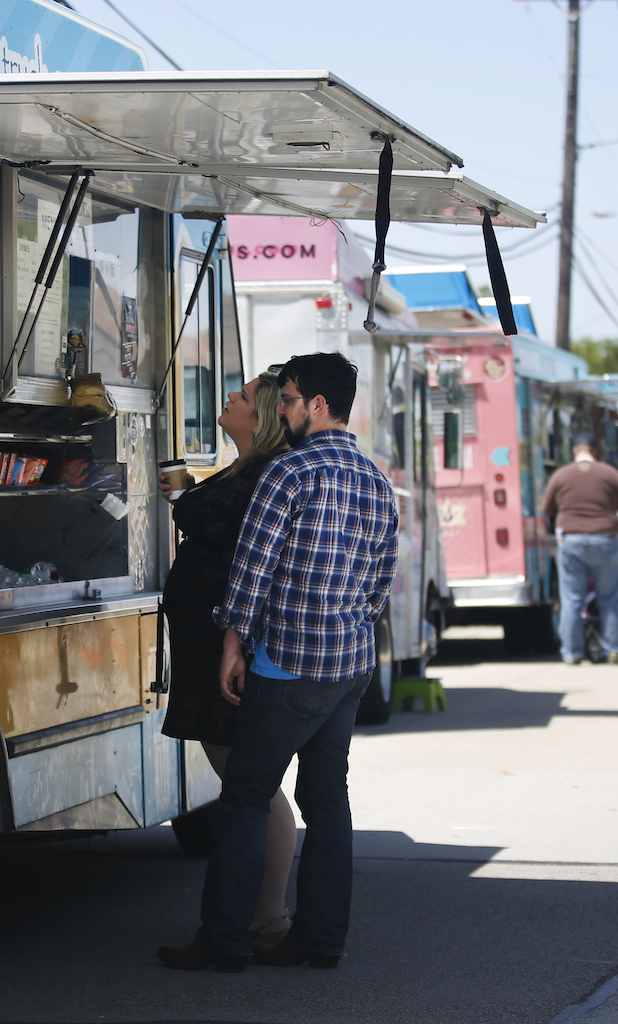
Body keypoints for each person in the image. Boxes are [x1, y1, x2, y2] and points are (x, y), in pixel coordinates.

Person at [157, 352, 398, 973]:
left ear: (317, 405)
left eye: (288, 399)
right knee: (327, 800)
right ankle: (320, 940)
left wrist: (232, 643)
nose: (282, 409)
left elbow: (252, 569)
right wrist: (348, 627)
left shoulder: (289, 473)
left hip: (287, 662)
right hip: (349, 665)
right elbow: (381, 582)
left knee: (245, 797)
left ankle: (224, 940)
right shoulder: (375, 480)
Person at [158, 374, 296, 946]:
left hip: (230, 651)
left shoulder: (266, 474)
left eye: (239, 398)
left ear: (259, 418)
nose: (228, 400)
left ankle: (267, 915)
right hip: (209, 648)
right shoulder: (244, 468)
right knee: (243, 782)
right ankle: (259, 914)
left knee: (251, 786)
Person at [542, 432, 618, 665]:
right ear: (595, 450)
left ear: (574, 451)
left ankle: (572, 652)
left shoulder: (561, 475)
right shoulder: (609, 473)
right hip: (605, 540)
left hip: (572, 541)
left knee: (571, 600)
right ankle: (614, 650)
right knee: (610, 599)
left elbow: (548, 508)